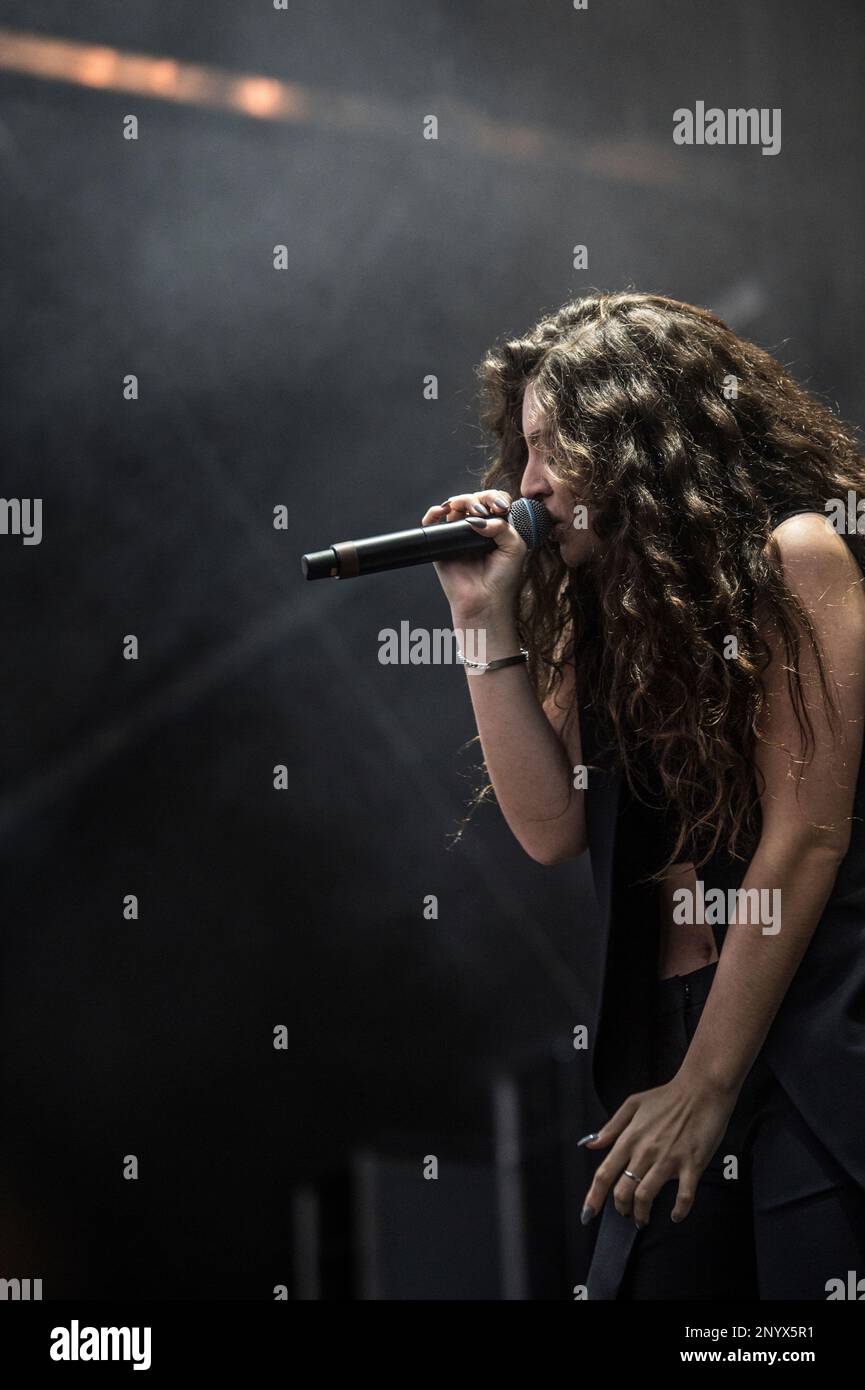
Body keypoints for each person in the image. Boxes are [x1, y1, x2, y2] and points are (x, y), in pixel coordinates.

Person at [421, 291, 865, 1300]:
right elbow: (551, 826)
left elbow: (806, 836)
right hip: (668, 1029)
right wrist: (479, 623)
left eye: (550, 447)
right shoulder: (607, 610)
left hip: (814, 1015)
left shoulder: (797, 556)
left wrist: (707, 1089)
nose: (526, 481)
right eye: (522, 450)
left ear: (641, 441)